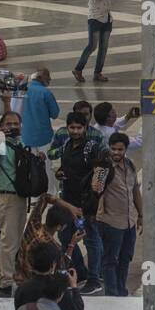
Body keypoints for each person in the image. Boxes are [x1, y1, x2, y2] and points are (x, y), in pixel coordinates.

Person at [53, 112, 108, 295]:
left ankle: (94, 279)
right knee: (65, 237)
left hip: (87, 204)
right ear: (67, 128)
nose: (75, 131)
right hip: (68, 202)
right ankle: (81, 271)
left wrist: (95, 194)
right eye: (72, 128)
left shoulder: (92, 147)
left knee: (92, 240)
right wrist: (60, 173)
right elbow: (65, 166)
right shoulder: (67, 145)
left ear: (85, 128)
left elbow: (102, 168)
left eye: (79, 128)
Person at [0, 108, 30, 294]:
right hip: (8, 196)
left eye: (15, 124)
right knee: (9, 241)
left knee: (14, 239)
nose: (12, 127)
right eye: (8, 124)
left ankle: (0, 278)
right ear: (1, 126)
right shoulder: (0, 142)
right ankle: (5, 281)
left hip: (20, 196)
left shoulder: (22, 142)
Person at [96, 133, 141, 297]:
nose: (116, 152)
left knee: (125, 258)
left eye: (119, 149)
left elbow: (135, 191)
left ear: (125, 149)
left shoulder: (130, 165)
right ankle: (112, 294)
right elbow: (95, 188)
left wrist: (141, 215)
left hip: (129, 222)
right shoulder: (103, 167)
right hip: (110, 222)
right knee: (110, 260)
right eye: (113, 148)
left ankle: (121, 291)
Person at [14, 225, 85, 310]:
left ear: (31, 263)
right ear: (53, 265)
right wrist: (74, 287)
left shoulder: (22, 289)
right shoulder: (57, 288)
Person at [73, 0, 118, 84]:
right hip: (95, 17)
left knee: (103, 48)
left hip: (107, 17)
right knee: (92, 46)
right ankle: (78, 69)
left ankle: (98, 72)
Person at [21, 67, 60, 188]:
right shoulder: (45, 92)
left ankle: (34, 196)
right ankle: (49, 194)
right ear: (40, 77)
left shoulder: (22, 90)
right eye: (47, 77)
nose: (49, 79)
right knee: (47, 167)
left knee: (30, 168)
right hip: (43, 136)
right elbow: (55, 114)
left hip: (26, 136)